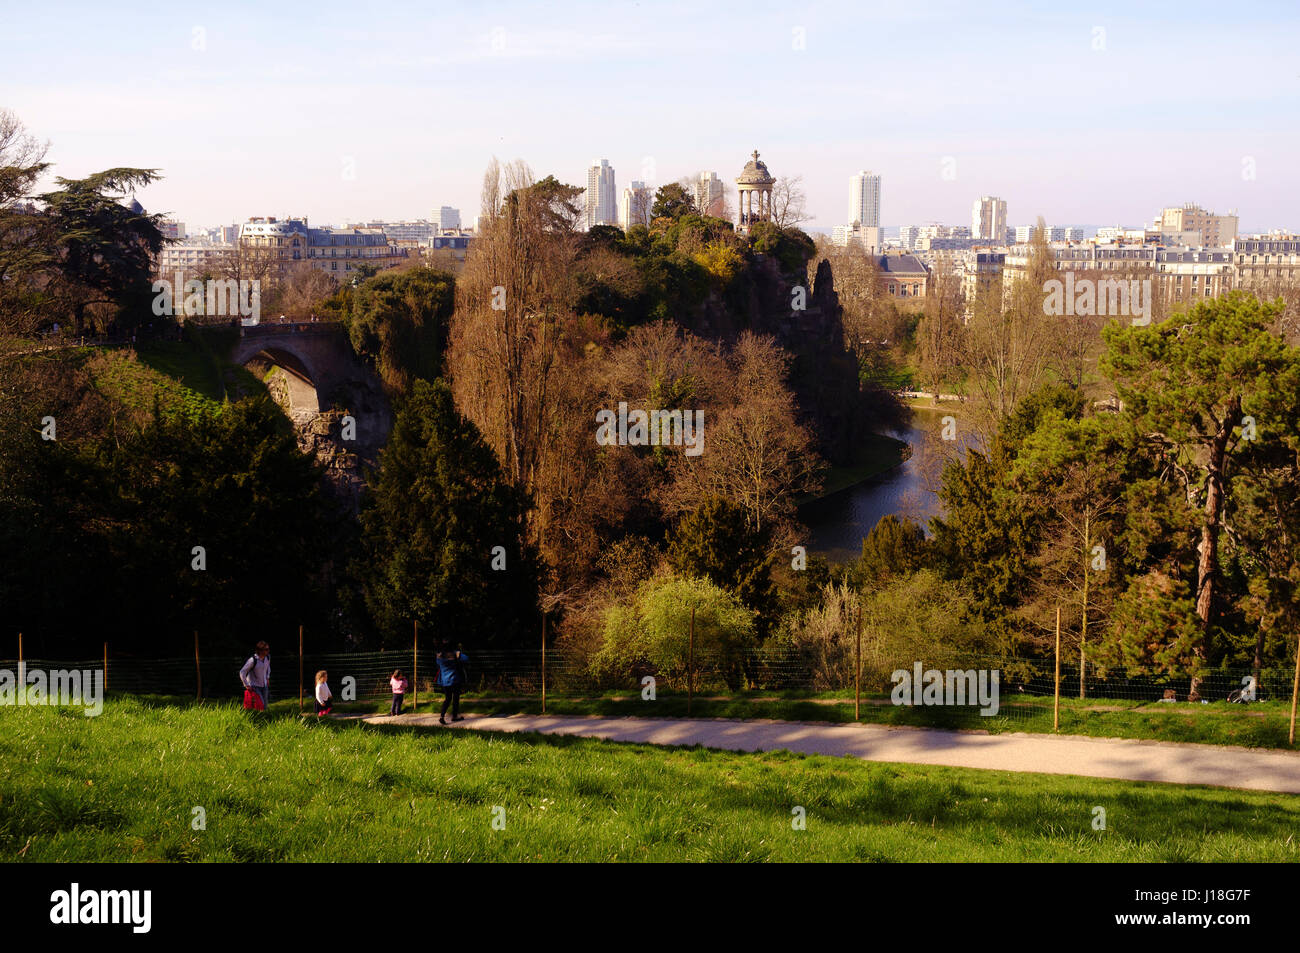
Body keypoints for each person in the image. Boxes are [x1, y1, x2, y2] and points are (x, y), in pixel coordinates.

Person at [435, 642, 468, 724]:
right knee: (455, 699)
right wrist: (459, 654)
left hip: (445, 682)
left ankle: (442, 716)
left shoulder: (440, 660)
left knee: (447, 699)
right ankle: (454, 716)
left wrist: (438, 656)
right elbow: (466, 659)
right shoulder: (455, 657)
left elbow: (437, 662)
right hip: (455, 681)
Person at [239, 642, 271, 709]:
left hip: (264, 685)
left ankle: (264, 718)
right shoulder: (253, 660)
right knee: (260, 705)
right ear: (260, 650)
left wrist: (267, 677)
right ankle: (256, 718)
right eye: (266, 649)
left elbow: (268, 668)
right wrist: (246, 685)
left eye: (268, 649)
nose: (268, 651)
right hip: (254, 686)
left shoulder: (267, 657)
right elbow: (242, 672)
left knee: (265, 706)